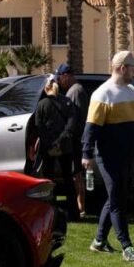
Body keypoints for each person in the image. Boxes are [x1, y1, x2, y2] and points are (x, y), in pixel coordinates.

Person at [81, 50, 134, 263]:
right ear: (122, 68)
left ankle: (98, 241)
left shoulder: (132, 90)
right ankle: (127, 247)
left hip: (128, 156)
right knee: (118, 201)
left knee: (117, 197)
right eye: (132, 68)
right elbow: (91, 128)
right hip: (108, 157)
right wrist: (86, 154)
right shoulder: (102, 94)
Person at [30, 75, 78, 217]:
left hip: (48, 148)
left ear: (46, 88)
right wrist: (61, 140)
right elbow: (71, 125)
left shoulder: (42, 104)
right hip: (65, 146)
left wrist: (50, 143)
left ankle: (51, 211)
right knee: (68, 178)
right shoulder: (67, 102)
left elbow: (39, 127)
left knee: (49, 179)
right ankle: (73, 211)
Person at [56, 62, 89, 218]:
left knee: (77, 175)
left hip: (77, 140)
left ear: (66, 76)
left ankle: (81, 207)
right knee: (76, 174)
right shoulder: (74, 90)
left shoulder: (75, 91)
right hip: (76, 139)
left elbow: (76, 118)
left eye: (60, 77)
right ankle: (79, 207)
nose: (59, 81)